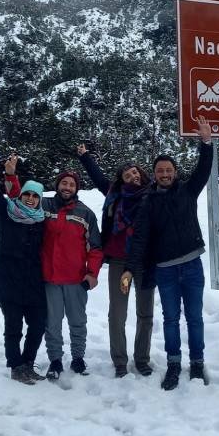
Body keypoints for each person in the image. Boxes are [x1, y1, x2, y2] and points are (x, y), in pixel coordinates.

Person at [123, 116, 214, 390]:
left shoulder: (188, 191)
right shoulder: (148, 202)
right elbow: (140, 239)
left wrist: (206, 142)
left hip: (192, 265)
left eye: (169, 170)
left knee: (195, 318)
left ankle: (197, 362)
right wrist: (129, 268)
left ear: (175, 172)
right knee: (171, 319)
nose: (165, 174)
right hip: (165, 270)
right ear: (154, 174)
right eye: (160, 170)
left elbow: (204, 169)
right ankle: (174, 364)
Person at [5, 161, 103, 379]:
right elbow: (19, 200)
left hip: (76, 279)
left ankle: (78, 358)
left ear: (76, 189)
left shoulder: (85, 213)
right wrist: (11, 176)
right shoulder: (44, 206)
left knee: (78, 322)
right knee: (52, 323)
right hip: (49, 278)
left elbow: (96, 248)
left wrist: (92, 274)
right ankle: (55, 361)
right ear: (58, 185)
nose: (67, 187)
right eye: (64, 183)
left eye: (72, 184)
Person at [76, 143, 153, 378]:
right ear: (121, 180)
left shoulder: (153, 195)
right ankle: (120, 360)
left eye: (135, 172)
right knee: (117, 313)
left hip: (144, 261)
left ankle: (142, 359)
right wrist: (85, 157)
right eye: (127, 175)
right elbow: (98, 177)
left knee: (146, 313)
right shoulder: (115, 195)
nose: (133, 176)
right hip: (119, 261)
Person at [0, 143, 47, 385]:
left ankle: (28, 362)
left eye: (35, 196)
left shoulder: (42, 221)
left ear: (40, 200)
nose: (30, 199)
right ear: (21, 195)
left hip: (34, 282)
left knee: (38, 325)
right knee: (13, 327)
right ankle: (16, 366)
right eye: (27, 194)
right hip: (8, 280)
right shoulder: (7, 213)